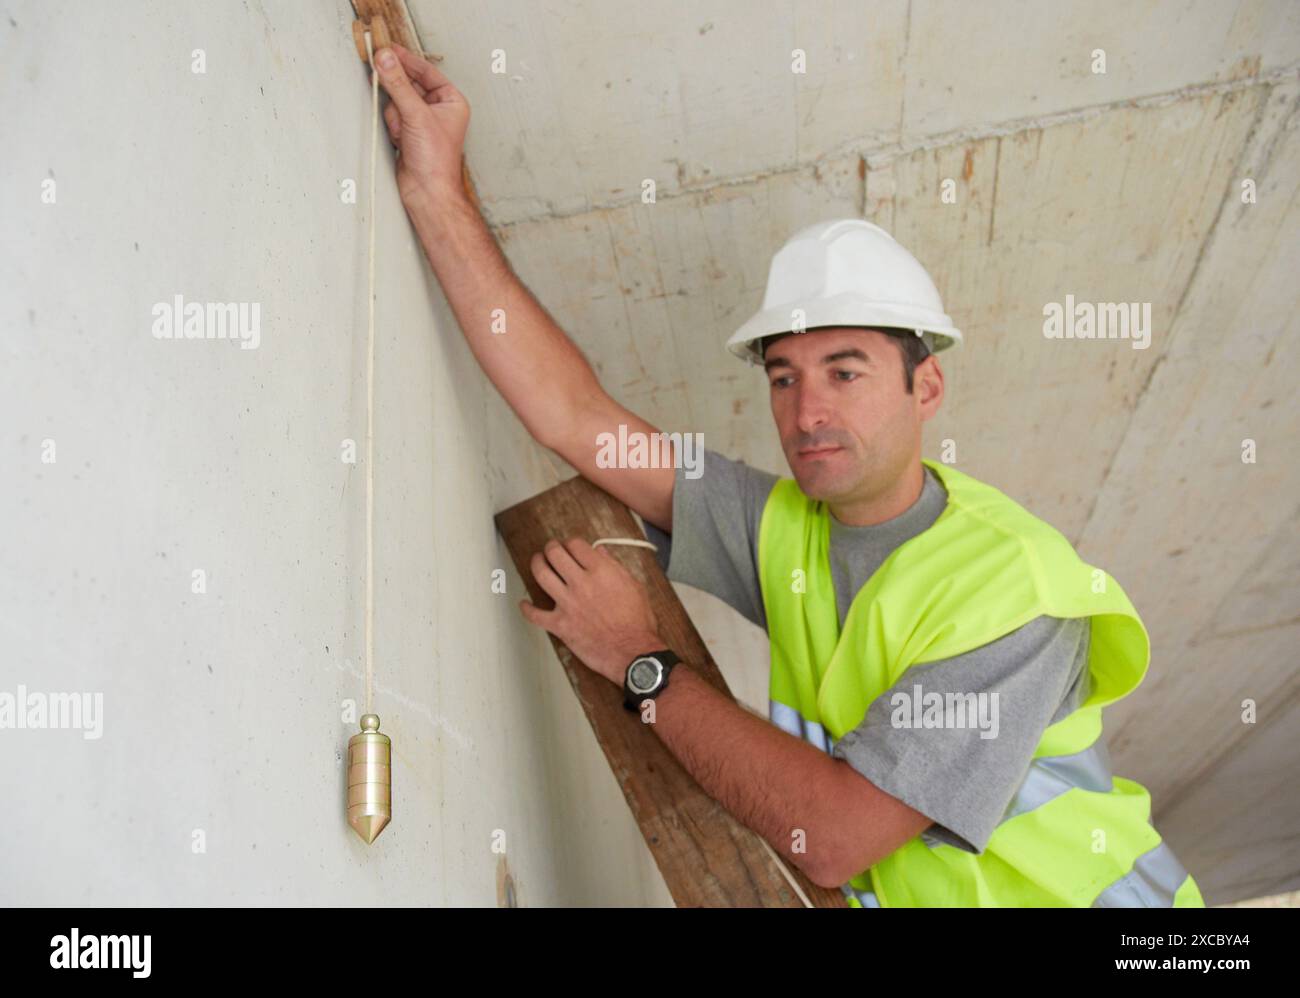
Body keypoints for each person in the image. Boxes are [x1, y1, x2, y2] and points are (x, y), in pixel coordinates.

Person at [368, 44, 1205, 907]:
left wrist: (636, 660)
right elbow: (577, 418)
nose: (806, 412)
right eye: (783, 377)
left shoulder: (1016, 594)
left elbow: (837, 837)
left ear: (927, 386)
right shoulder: (785, 531)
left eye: (845, 372)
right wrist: (437, 189)